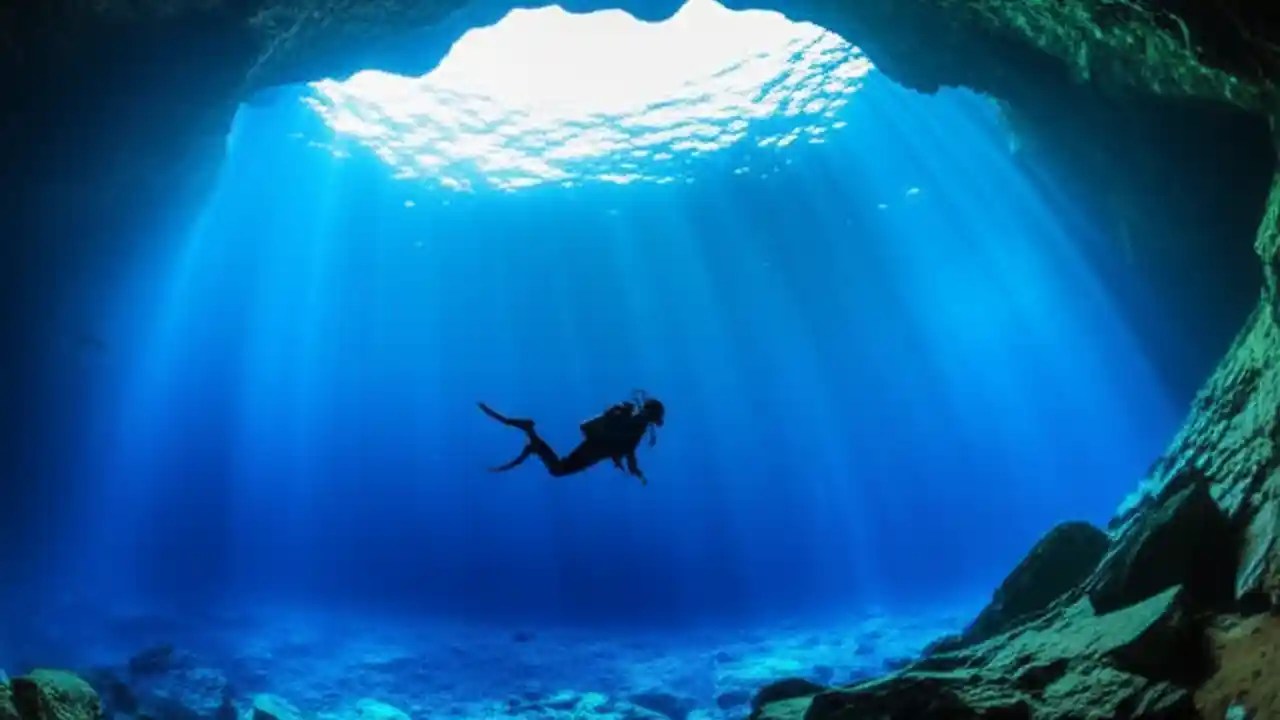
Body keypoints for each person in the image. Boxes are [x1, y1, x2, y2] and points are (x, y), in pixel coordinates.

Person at [477, 392, 665, 485]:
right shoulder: (636, 428)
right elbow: (629, 454)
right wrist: (638, 474)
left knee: (558, 468)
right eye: (654, 416)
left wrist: (637, 473)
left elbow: (630, 455)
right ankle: (531, 436)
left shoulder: (635, 427)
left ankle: (532, 438)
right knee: (558, 470)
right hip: (594, 449)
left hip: (593, 447)